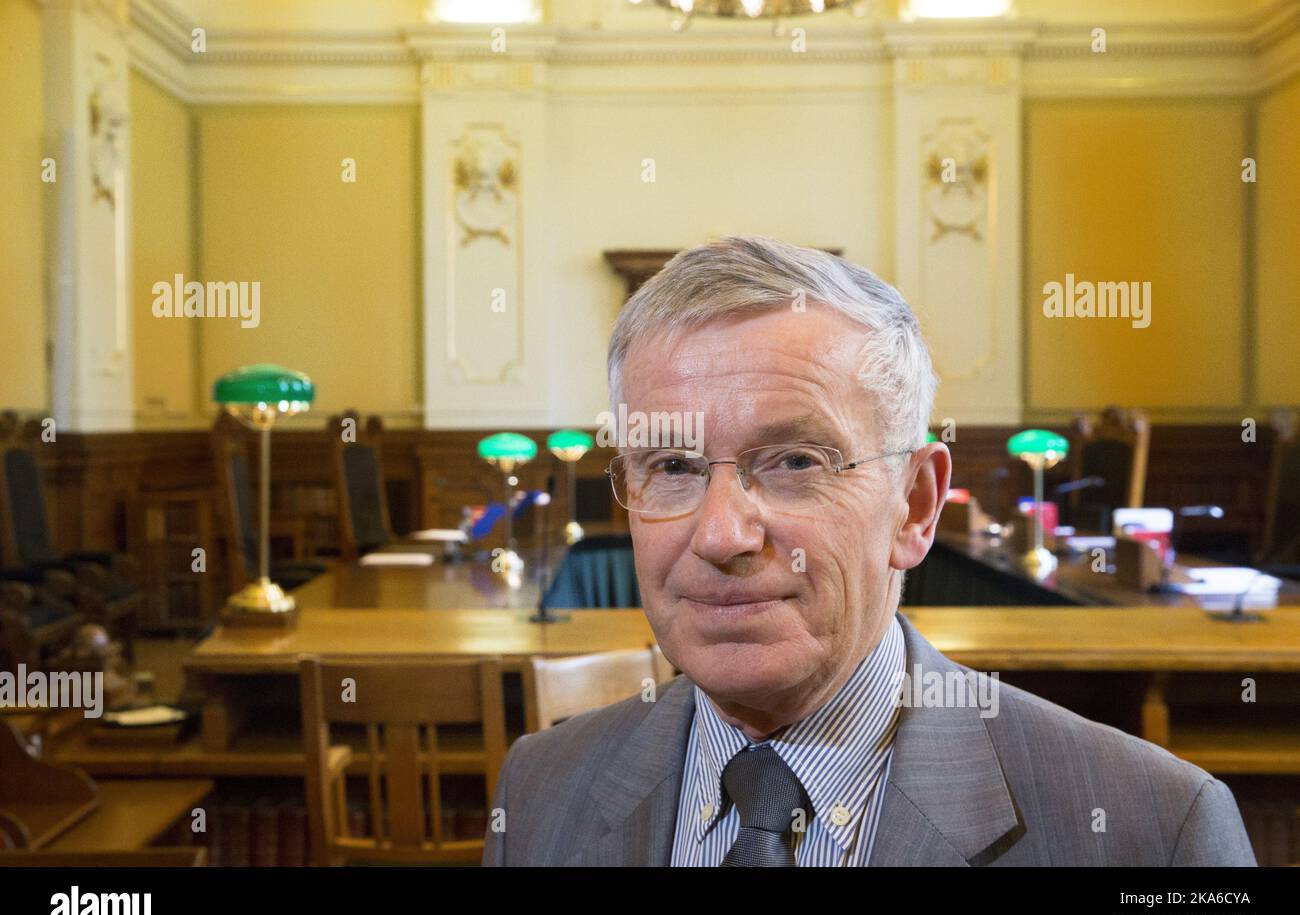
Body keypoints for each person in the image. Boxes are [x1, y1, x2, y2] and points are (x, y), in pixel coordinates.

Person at [483, 235, 1256, 866]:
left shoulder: (1153, 831)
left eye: (795, 463)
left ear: (915, 507)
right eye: (674, 467)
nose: (721, 535)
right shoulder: (541, 788)